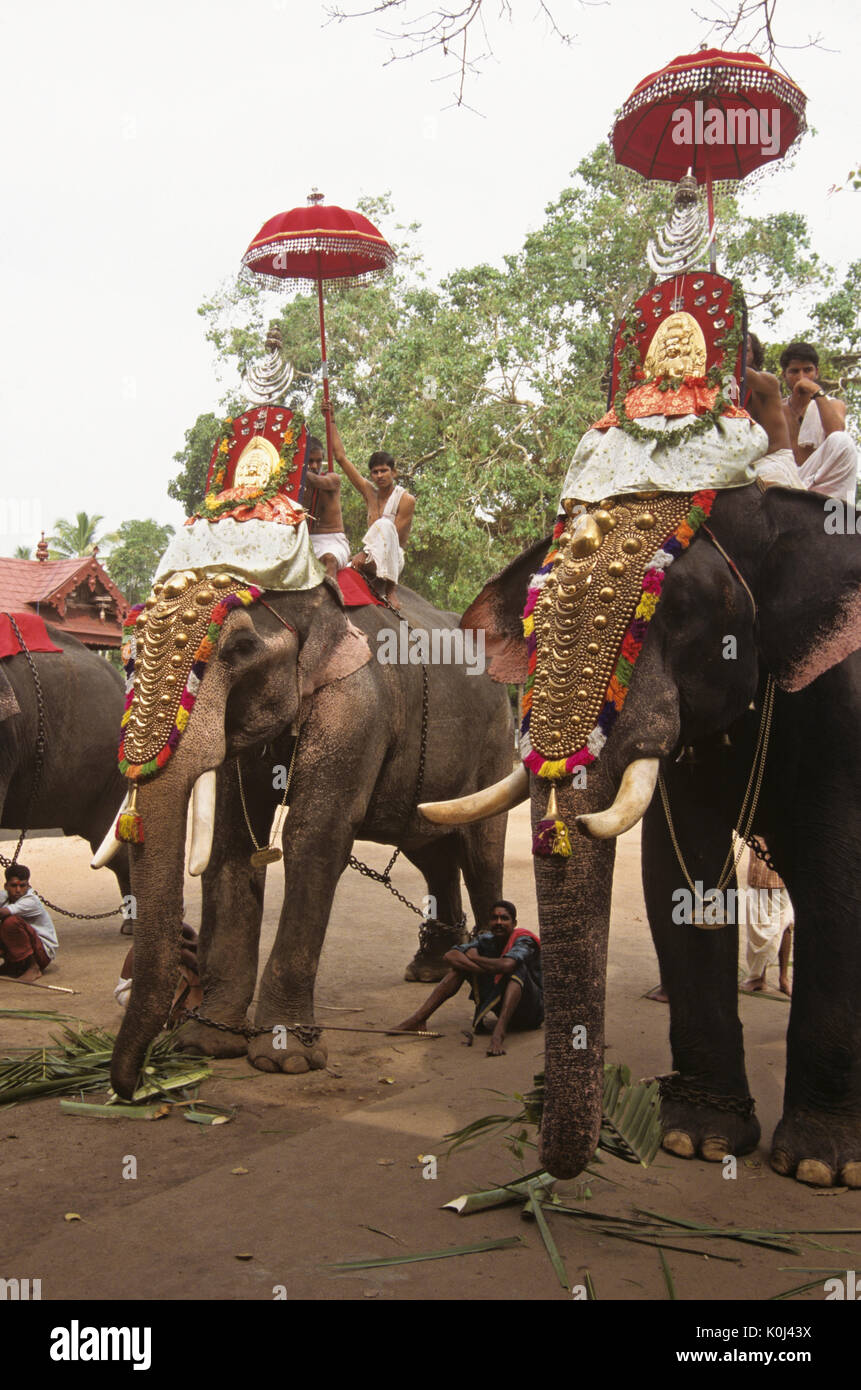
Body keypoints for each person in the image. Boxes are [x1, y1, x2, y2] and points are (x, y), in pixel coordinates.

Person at [394, 900, 543, 1056]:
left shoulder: (524, 940)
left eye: (504, 918)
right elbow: (450, 955)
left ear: (514, 923)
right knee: (459, 969)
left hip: (530, 1012)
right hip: (504, 1006)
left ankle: (498, 1034)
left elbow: (506, 965)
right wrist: (482, 969)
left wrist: (476, 959)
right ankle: (419, 1019)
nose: (499, 922)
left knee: (516, 967)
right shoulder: (486, 940)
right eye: (494, 918)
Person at [323, 404, 415, 606]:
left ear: (394, 472)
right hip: (369, 558)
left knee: (384, 525)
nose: (379, 476)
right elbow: (340, 457)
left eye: (384, 471)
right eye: (375, 472)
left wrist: (364, 553)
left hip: (391, 558)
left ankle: (391, 590)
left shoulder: (406, 499)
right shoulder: (369, 493)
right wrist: (330, 420)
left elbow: (394, 537)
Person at [779, 341, 857, 501]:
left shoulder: (834, 404)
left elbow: (836, 433)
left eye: (807, 370)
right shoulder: (777, 410)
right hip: (784, 481)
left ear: (817, 372)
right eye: (794, 371)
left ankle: (830, 510)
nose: (801, 377)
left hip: (821, 485)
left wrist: (816, 392)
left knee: (843, 441)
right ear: (784, 375)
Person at [743, 333, 803, 490]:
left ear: (754, 356)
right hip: (741, 468)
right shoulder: (716, 392)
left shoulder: (767, 382)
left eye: (744, 349)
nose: (737, 354)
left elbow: (744, 374)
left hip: (774, 463)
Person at [739, 841, 793, 997]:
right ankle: (761, 978)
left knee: (784, 921)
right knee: (762, 926)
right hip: (759, 876)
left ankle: (782, 978)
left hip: (776, 877)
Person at [0, 863, 58, 983]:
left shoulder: (31, 901)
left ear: (28, 885)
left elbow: (5, 912)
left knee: (10, 922)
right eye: (14, 886)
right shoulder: (3, 896)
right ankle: (11, 964)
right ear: (6, 886)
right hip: (27, 947)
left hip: (41, 953)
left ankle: (34, 967)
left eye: (22, 886)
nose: (18, 890)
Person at [303, 435, 351, 577]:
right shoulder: (296, 488)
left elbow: (319, 481)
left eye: (318, 461)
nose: (315, 466)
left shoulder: (332, 479)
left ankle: (333, 597)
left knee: (330, 559)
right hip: (306, 541)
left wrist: (297, 470)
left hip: (333, 542)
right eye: (310, 461)